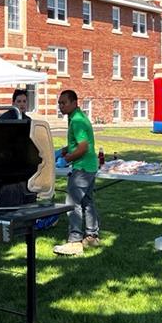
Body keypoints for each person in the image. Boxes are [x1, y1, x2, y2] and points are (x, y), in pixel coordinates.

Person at [53, 90, 100, 256]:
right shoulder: (76, 117)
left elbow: (82, 148)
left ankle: (74, 241)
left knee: (72, 203)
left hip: (82, 167)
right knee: (87, 202)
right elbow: (76, 143)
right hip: (90, 166)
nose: (61, 106)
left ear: (74, 102)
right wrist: (62, 151)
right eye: (59, 103)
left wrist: (66, 159)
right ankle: (92, 236)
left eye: (64, 103)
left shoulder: (77, 121)